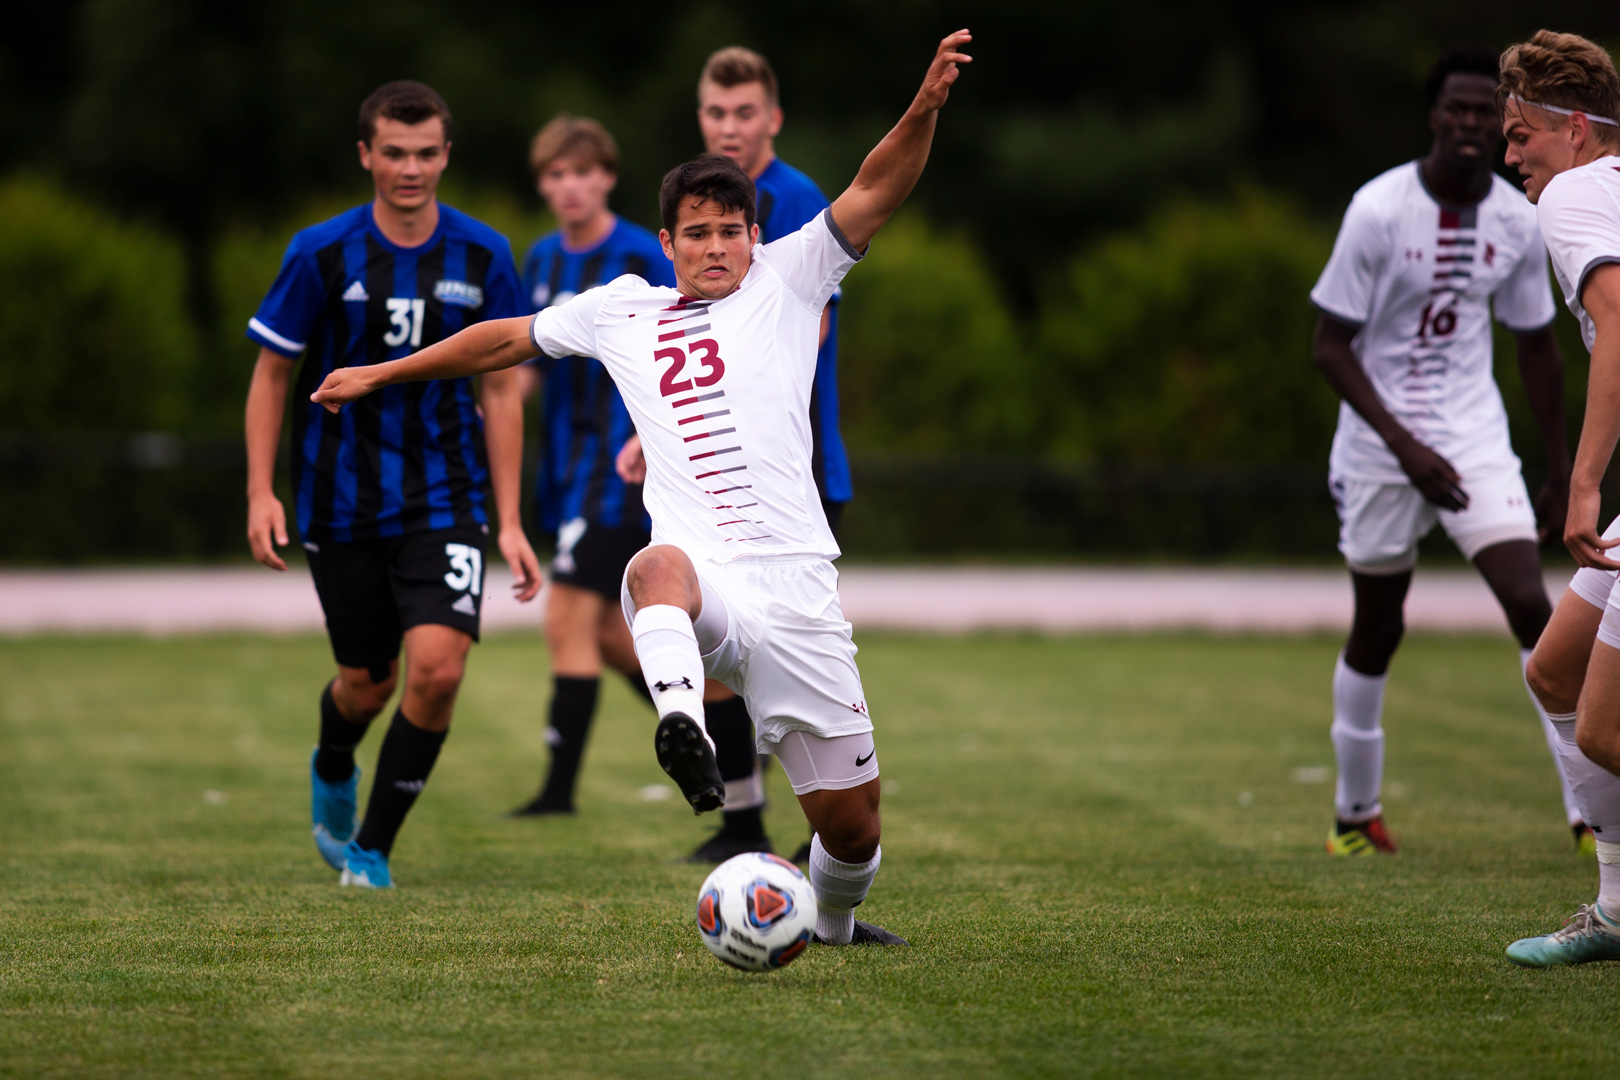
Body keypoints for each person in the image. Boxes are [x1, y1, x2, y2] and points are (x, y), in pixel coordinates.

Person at [312, 30, 976, 945]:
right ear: (665, 241)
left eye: (728, 232)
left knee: (853, 831)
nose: (714, 248)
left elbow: (876, 187)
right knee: (653, 564)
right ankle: (682, 727)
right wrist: (383, 373)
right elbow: (499, 340)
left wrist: (925, 107)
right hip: (703, 576)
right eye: (694, 233)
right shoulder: (621, 307)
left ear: (753, 235)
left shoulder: (790, 279)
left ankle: (833, 919)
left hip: (797, 585)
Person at [244, 80, 539, 889]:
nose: (411, 169)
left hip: (449, 497)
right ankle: (334, 758)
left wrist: (509, 519)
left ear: (447, 155)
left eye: (427, 153)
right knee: (365, 686)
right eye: (395, 153)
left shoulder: (486, 256)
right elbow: (274, 374)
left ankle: (371, 849)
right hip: (339, 501)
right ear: (367, 154)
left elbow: (503, 389)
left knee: (439, 669)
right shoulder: (319, 252)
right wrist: (259, 492)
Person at [1309, 46, 1580, 857]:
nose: (1469, 125)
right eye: (1455, 110)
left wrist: (1563, 467)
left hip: (1471, 435)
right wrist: (1403, 445)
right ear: (1434, 117)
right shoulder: (1379, 209)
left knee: (1533, 607)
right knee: (1378, 625)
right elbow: (1330, 345)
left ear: (1501, 124)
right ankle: (1355, 815)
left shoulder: (1515, 215)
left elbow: (1536, 347)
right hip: (1379, 441)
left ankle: (1588, 811)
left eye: (1483, 113)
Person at [695, 45, 856, 863]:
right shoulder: (704, 201)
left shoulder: (793, 201)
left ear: (773, 118)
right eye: (716, 113)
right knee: (719, 646)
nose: (730, 127)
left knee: (795, 656)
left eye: (744, 112)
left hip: (793, 470)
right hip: (718, 468)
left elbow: (803, 327)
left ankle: (812, 828)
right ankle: (745, 822)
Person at [505, 114, 675, 816]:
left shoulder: (641, 253)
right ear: (543, 184)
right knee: (609, 635)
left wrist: (653, 435)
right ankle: (718, 727)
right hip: (565, 467)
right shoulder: (541, 259)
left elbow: (678, 346)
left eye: (583, 171)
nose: (569, 186)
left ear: (606, 175)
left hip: (623, 471)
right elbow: (527, 360)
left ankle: (556, 794)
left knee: (568, 617)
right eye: (555, 174)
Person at [1495, 30, 1620, 966]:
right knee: (1552, 674)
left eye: (1520, 134)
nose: (1510, 157)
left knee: (1608, 728)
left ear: (1574, 130)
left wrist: (1582, 484)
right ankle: (1617, 908)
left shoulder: (1575, 194)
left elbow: (1619, 319)